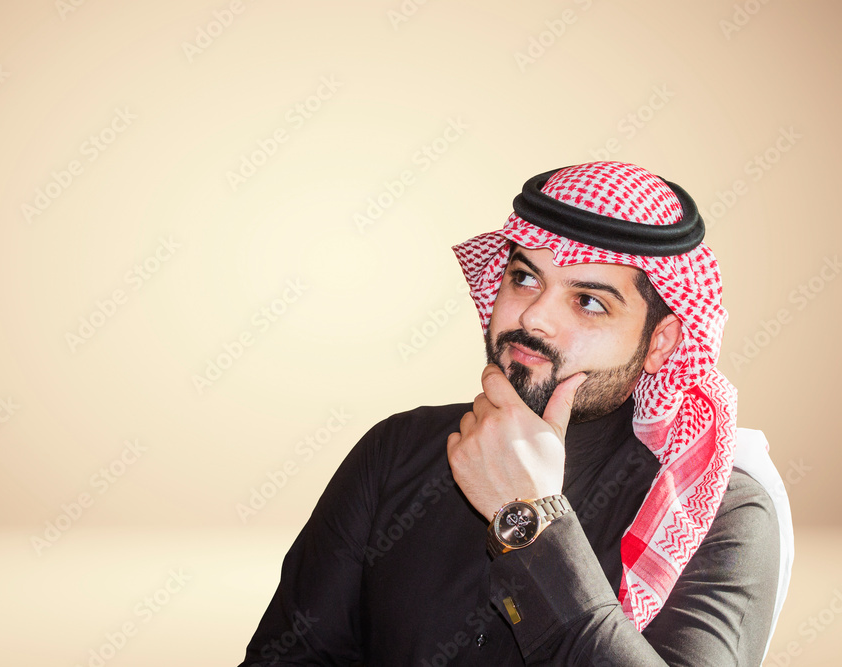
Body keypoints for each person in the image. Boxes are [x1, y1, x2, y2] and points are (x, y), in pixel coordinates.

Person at [238, 161, 793, 666]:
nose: (532, 317)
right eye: (524, 277)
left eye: (588, 301)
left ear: (661, 343)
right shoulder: (396, 450)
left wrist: (531, 521)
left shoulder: (724, 516)